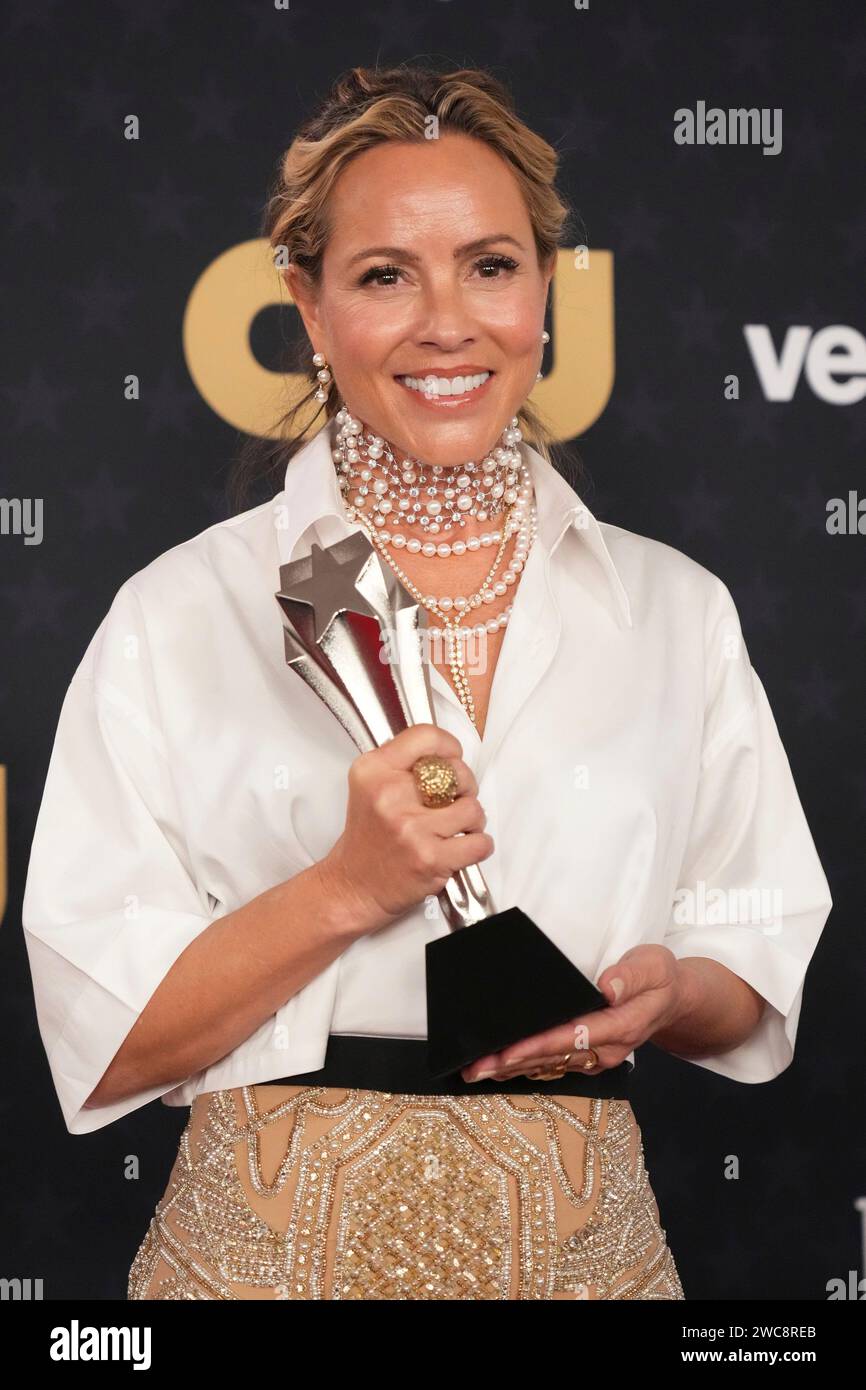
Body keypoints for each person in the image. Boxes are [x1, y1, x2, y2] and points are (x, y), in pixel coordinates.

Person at [21, 63, 832, 1302]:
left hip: (583, 1268)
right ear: (306, 302)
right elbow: (108, 1036)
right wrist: (347, 887)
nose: (445, 321)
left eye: (490, 265)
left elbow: (749, 968)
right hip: (260, 1275)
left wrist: (670, 995)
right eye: (384, 274)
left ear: (546, 291)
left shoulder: (674, 610)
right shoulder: (179, 614)